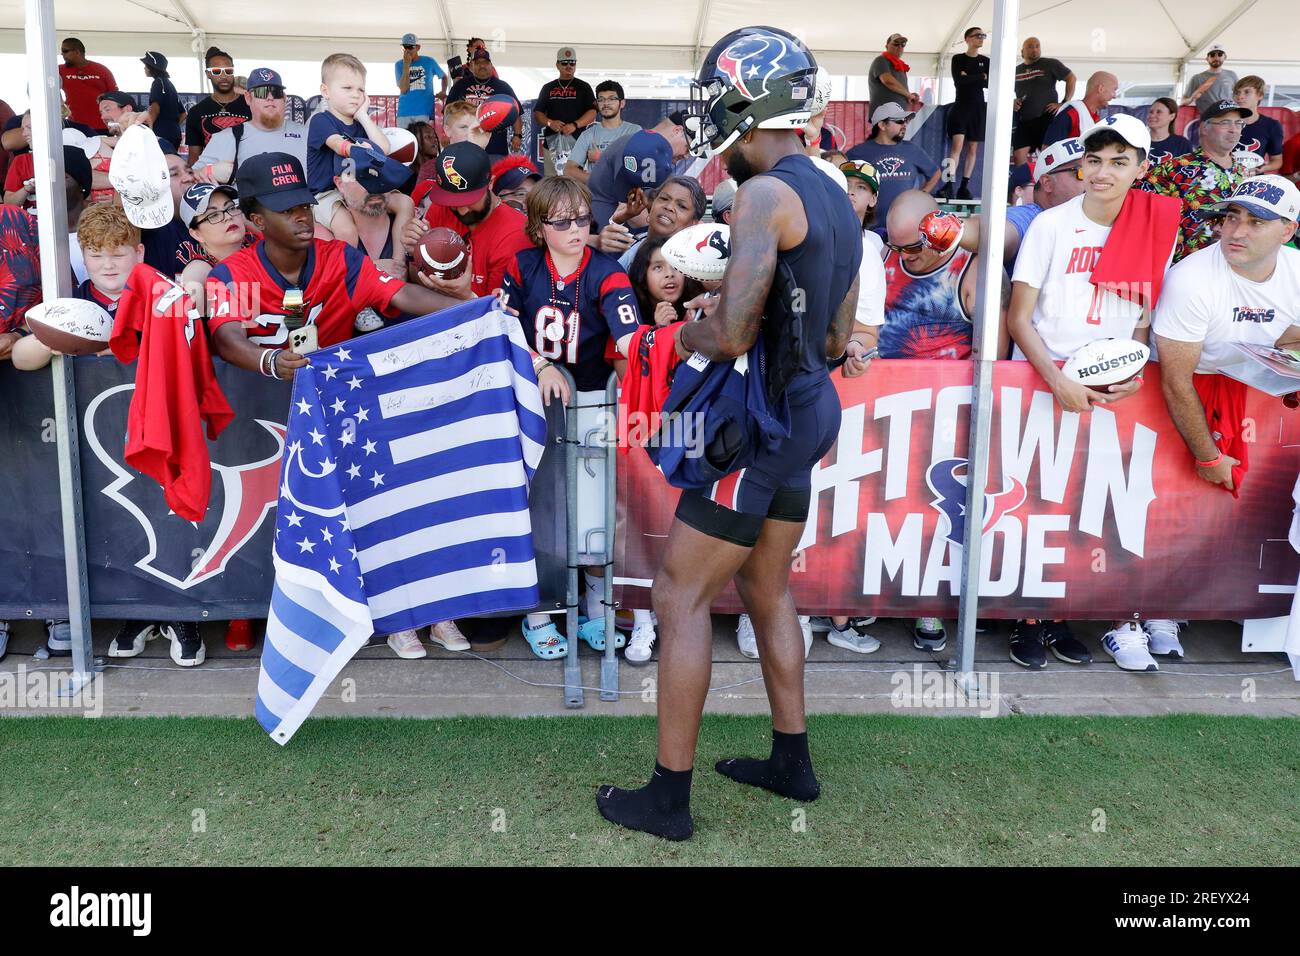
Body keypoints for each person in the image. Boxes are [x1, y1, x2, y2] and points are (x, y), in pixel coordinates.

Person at [597, 26, 862, 842]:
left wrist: (677, 336)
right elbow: (832, 336)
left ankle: (668, 799)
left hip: (761, 423)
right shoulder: (830, 189)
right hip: (808, 409)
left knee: (680, 593)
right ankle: (792, 761)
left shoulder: (764, 195)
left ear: (747, 104)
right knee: (765, 586)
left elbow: (738, 336)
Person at [1008, 115, 1181, 671]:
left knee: (1087, 505)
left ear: (1141, 167)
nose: (1103, 172)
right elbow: (1019, 318)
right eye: (1096, 160)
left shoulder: (1157, 225)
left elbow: (1141, 312)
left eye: (1119, 161)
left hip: (1109, 387)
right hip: (1041, 379)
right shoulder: (1051, 226)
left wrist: (1128, 370)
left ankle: (1061, 616)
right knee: (1032, 501)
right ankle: (1023, 618)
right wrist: (1057, 381)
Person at [501, 177, 640, 660]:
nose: (577, 229)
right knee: (542, 512)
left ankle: (596, 611)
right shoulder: (521, 267)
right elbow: (501, 327)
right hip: (535, 404)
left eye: (583, 218)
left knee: (593, 517)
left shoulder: (607, 273)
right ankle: (538, 611)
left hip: (591, 403)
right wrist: (539, 366)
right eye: (563, 222)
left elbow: (628, 335)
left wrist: (640, 359)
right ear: (539, 228)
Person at [205, 150, 463, 375]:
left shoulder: (340, 258)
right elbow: (227, 338)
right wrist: (270, 361)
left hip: (331, 395)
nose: (302, 218)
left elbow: (401, 293)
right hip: (261, 403)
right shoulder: (228, 274)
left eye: (304, 206)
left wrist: (476, 306)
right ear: (258, 221)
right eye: (286, 211)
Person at [1155, 174, 1300, 499]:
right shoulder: (1191, 279)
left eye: (1256, 222)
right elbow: (1176, 382)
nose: (1236, 231)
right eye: (1232, 217)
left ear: (1288, 230)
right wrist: (1209, 456)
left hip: (1253, 385)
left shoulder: (1297, 271)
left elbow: (1292, 341)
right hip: (1191, 388)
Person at [400, 142, 533, 302]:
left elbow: (500, 316)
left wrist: (466, 296)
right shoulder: (440, 209)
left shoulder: (515, 233)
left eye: (470, 199)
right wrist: (414, 253)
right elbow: (418, 279)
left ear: (490, 184)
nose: (462, 210)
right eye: (453, 201)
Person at [306, 54, 411, 249]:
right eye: (347, 88)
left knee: (405, 202)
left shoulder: (361, 124)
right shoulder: (321, 120)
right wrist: (356, 149)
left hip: (359, 188)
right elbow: (337, 144)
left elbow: (384, 148)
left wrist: (362, 115)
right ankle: (349, 274)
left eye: (361, 89)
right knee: (347, 231)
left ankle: (398, 259)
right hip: (327, 193)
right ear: (325, 91)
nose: (355, 94)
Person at [953, 136, 1087, 272]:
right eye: (1082, 172)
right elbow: (993, 233)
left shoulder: (1091, 220)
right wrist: (951, 228)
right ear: (1047, 183)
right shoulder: (1031, 217)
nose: (1093, 179)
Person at [1141, 99, 1251, 261]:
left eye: (1239, 123)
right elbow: (1139, 212)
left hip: (1230, 267)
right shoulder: (1175, 168)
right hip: (1182, 267)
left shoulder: (1244, 173)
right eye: (1225, 123)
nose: (1233, 129)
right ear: (1204, 128)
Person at [193, 68, 308, 182]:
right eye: (261, 92)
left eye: (276, 92)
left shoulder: (307, 134)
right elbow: (190, 178)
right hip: (245, 200)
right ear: (248, 98)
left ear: (284, 98)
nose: (270, 97)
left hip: (303, 199)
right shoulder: (227, 137)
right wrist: (210, 170)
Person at [584, 118, 688, 230]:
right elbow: (634, 212)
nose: (687, 156)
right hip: (604, 221)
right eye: (688, 148)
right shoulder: (639, 150)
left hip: (616, 221)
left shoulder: (657, 157)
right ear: (677, 130)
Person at [845, 103, 940, 226]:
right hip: (868, 228)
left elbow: (935, 173)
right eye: (899, 121)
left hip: (904, 227)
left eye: (906, 121)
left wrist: (919, 195)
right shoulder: (858, 152)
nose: (904, 124)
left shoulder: (912, 149)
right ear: (882, 125)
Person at [177, 182, 254, 307]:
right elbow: (188, 320)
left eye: (230, 208)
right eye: (213, 215)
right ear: (197, 234)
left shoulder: (256, 240)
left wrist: (294, 319)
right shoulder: (199, 271)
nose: (228, 217)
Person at [445, 48, 522, 163]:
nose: (482, 66)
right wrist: (446, 133)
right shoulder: (460, 85)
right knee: (468, 178)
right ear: (471, 66)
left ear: (491, 65)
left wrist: (517, 135)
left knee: (495, 179)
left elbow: (515, 112)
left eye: (485, 62)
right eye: (478, 63)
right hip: (465, 147)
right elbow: (447, 112)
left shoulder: (503, 86)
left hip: (495, 148)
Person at [613, 175, 705, 269]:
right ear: (651, 204)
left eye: (681, 206)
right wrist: (616, 221)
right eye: (664, 198)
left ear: (694, 223)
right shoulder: (638, 240)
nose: (669, 207)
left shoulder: (692, 266)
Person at [940, 27, 989, 201]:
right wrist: (980, 76)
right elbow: (959, 81)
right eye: (977, 36)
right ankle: (948, 184)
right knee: (956, 147)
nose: (981, 39)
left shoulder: (986, 60)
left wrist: (972, 76)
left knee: (973, 149)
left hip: (977, 109)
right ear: (967, 39)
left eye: (983, 36)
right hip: (961, 107)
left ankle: (964, 186)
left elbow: (989, 82)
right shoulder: (958, 58)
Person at [534, 46, 597, 175]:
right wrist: (550, 123)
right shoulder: (547, 87)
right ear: (557, 65)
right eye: (564, 63)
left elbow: (593, 111)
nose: (569, 66)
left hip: (578, 143)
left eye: (572, 63)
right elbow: (538, 113)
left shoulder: (584, 86)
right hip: (552, 143)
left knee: (576, 182)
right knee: (552, 183)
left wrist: (575, 124)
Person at [1012, 37, 1075, 164]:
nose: (1034, 49)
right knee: (1019, 156)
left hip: (1046, 118)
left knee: (1049, 156)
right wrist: (1012, 101)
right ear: (1022, 52)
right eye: (1030, 46)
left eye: (1037, 46)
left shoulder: (1050, 64)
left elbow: (1071, 78)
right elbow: (1004, 91)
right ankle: (1024, 182)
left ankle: (1046, 182)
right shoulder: (1014, 70)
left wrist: (1064, 103)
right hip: (1024, 119)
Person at [565, 81, 640, 186]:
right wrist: (596, 180)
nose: (606, 103)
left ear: (622, 103)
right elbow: (569, 170)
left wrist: (601, 157)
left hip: (625, 195)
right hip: (597, 198)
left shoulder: (634, 131)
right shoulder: (588, 134)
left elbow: (637, 165)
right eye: (601, 99)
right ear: (597, 104)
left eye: (611, 99)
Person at [185, 47, 251, 165]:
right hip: (211, 176)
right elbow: (194, 157)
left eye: (228, 71)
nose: (223, 76)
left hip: (248, 173)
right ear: (208, 73)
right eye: (217, 71)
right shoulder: (196, 112)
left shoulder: (251, 106)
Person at [415, 101, 489, 182]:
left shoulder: (490, 163)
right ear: (447, 130)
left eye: (475, 128)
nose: (470, 133)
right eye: (464, 127)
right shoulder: (431, 168)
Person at [1042, 71, 1117, 148]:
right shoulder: (1070, 114)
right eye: (1114, 89)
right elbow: (1047, 151)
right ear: (1101, 89)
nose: (1115, 96)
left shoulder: (1096, 118)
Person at [59, 37, 117, 131]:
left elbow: (115, 95)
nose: (62, 54)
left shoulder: (101, 70)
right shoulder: (59, 70)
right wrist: (61, 104)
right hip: (74, 126)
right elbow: (46, 88)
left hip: (102, 125)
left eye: (65, 51)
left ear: (77, 52)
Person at [1233, 76, 1284, 175]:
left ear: (1260, 95)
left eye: (1247, 92)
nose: (1240, 96)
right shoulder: (1224, 122)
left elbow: (1277, 160)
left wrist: (1264, 168)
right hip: (1225, 180)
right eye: (1237, 93)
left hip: (1253, 181)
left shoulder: (1272, 125)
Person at [395, 33, 447, 129]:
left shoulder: (429, 61)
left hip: (424, 110)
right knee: (405, 142)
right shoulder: (399, 64)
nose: (407, 50)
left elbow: (444, 76)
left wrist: (443, 91)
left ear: (418, 47)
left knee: (422, 141)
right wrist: (406, 65)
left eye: (410, 47)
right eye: (404, 47)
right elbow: (403, 89)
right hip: (404, 111)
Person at [868, 33, 924, 114]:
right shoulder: (881, 60)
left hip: (896, 115)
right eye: (896, 44)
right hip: (884, 115)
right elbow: (888, 81)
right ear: (887, 46)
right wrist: (908, 95)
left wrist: (909, 96)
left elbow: (898, 88)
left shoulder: (900, 65)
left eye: (903, 44)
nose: (900, 47)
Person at [141, 52, 184, 149]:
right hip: (175, 134)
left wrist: (148, 131)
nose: (144, 68)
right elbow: (184, 114)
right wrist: (172, 128)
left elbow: (155, 109)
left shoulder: (158, 82)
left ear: (152, 67)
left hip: (161, 135)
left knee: (158, 163)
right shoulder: (169, 84)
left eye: (146, 65)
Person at [1181, 42, 1237, 116]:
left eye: (1220, 54)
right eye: (1212, 55)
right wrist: (1192, 98)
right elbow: (1183, 101)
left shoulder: (1232, 75)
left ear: (1225, 57)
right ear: (1207, 58)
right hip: (1207, 119)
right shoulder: (1197, 78)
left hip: (1228, 117)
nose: (1216, 58)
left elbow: (1239, 96)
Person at [1145, 96, 1192, 167]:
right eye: (1151, 112)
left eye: (1159, 112)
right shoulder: (1138, 141)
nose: (1152, 115)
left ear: (1172, 116)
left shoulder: (1182, 144)